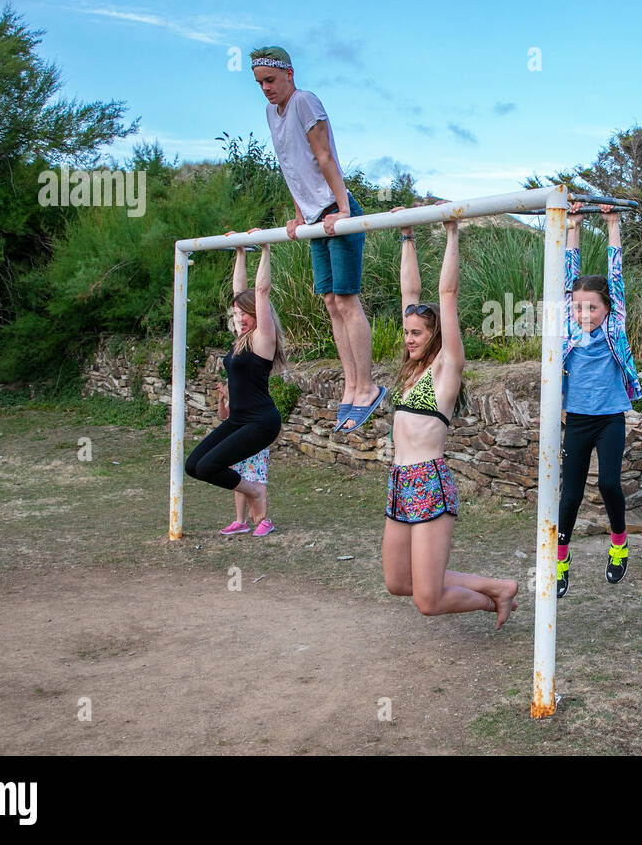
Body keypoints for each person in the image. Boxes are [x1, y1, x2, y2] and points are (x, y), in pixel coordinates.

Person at [382, 214, 518, 628]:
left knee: (428, 600)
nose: (409, 339)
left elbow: (447, 292)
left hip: (427, 479)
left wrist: (451, 232)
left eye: (417, 333)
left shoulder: (446, 368)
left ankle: (494, 596)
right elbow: (410, 290)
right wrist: (406, 234)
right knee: (398, 582)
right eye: (407, 332)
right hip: (400, 480)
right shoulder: (411, 372)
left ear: (435, 335)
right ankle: (498, 588)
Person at [250, 45, 384, 432]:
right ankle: (351, 383)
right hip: (312, 218)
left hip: (336, 210)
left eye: (271, 80)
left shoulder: (305, 101)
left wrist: (342, 209)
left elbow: (324, 156)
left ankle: (368, 385)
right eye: (259, 83)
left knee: (346, 298)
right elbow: (290, 167)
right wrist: (298, 215)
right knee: (329, 301)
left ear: (289, 74)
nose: (266, 88)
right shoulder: (270, 115)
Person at [557, 204, 642, 597]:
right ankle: (561, 560)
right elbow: (567, 277)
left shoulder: (614, 323)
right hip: (576, 419)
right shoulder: (567, 324)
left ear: (608, 307)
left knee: (609, 483)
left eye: (592, 306)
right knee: (571, 493)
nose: (584, 312)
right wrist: (573, 226)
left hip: (609, 417)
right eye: (578, 306)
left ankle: (619, 544)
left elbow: (616, 273)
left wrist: (612, 224)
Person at [185, 242, 284, 533]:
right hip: (238, 420)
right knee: (193, 466)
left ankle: (255, 493)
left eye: (245, 314)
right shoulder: (241, 338)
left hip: (261, 421)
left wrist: (265, 250)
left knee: (207, 467)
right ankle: (253, 493)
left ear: (258, 314)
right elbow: (239, 292)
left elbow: (261, 292)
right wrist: (240, 252)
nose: (239, 319)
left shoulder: (263, 338)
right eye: (236, 313)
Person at [215, 379, 271, 536]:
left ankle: (264, 521)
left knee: (255, 482)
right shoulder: (235, 399)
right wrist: (221, 400)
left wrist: (230, 398)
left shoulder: (252, 396)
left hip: (255, 447)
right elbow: (223, 416)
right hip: (239, 447)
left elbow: (242, 413)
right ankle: (240, 522)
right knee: (238, 482)